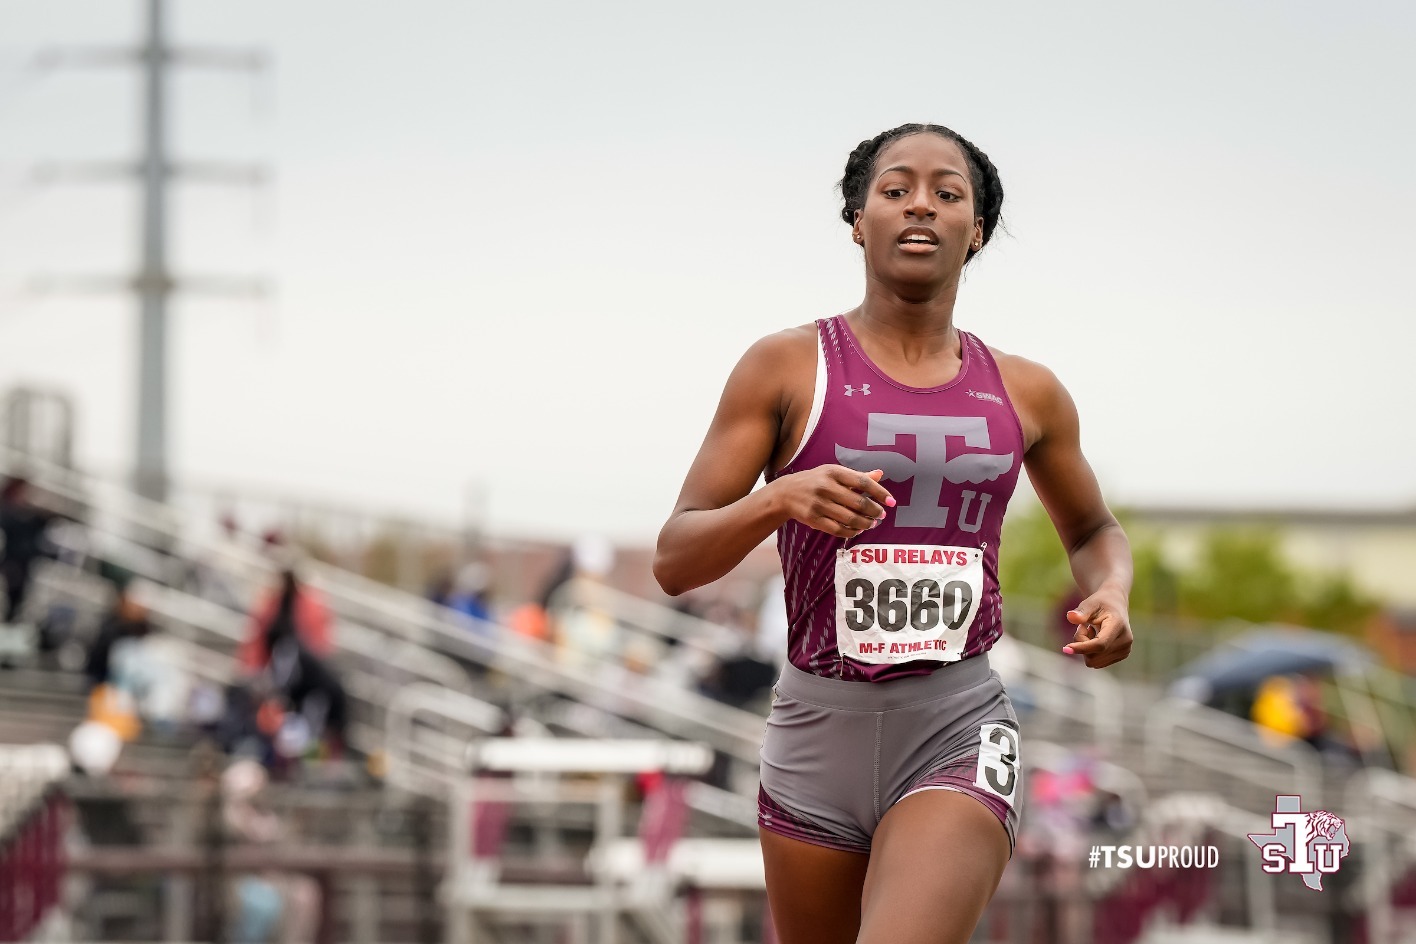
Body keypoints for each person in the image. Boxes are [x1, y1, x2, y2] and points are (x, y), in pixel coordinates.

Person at [654, 123, 1134, 944]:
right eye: (896, 188)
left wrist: (1113, 591)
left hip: (958, 722)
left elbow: (1092, 528)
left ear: (974, 230)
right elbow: (674, 557)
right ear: (857, 218)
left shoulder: (1028, 392)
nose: (922, 205)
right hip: (813, 730)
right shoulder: (785, 367)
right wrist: (777, 501)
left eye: (949, 194)